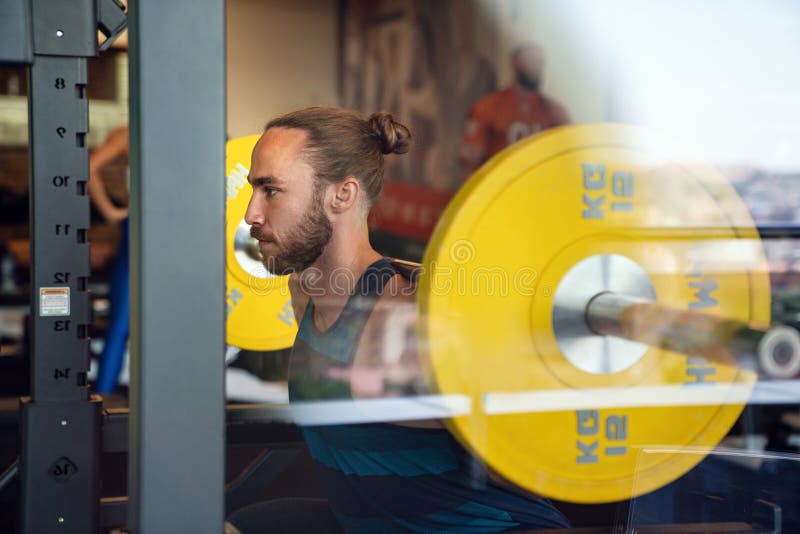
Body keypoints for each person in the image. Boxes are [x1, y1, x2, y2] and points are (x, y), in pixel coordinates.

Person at [225, 106, 570, 533]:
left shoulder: (406, 322)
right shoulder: (306, 295)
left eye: (271, 191)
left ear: (343, 195)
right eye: (252, 190)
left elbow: (531, 474)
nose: (250, 214)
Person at [460, 42, 570, 180]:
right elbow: (471, 162)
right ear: (515, 63)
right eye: (530, 61)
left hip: (539, 187)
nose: (536, 67)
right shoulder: (489, 107)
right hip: (500, 185)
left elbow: (567, 158)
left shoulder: (555, 112)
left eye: (539, 61)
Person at [87, 126, 130, 394]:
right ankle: (102, 399)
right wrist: (112, 213)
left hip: (169, 227)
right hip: (144, 224)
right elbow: (89, 168)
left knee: (121, 323)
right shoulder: (127, 134)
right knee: (121, 322)